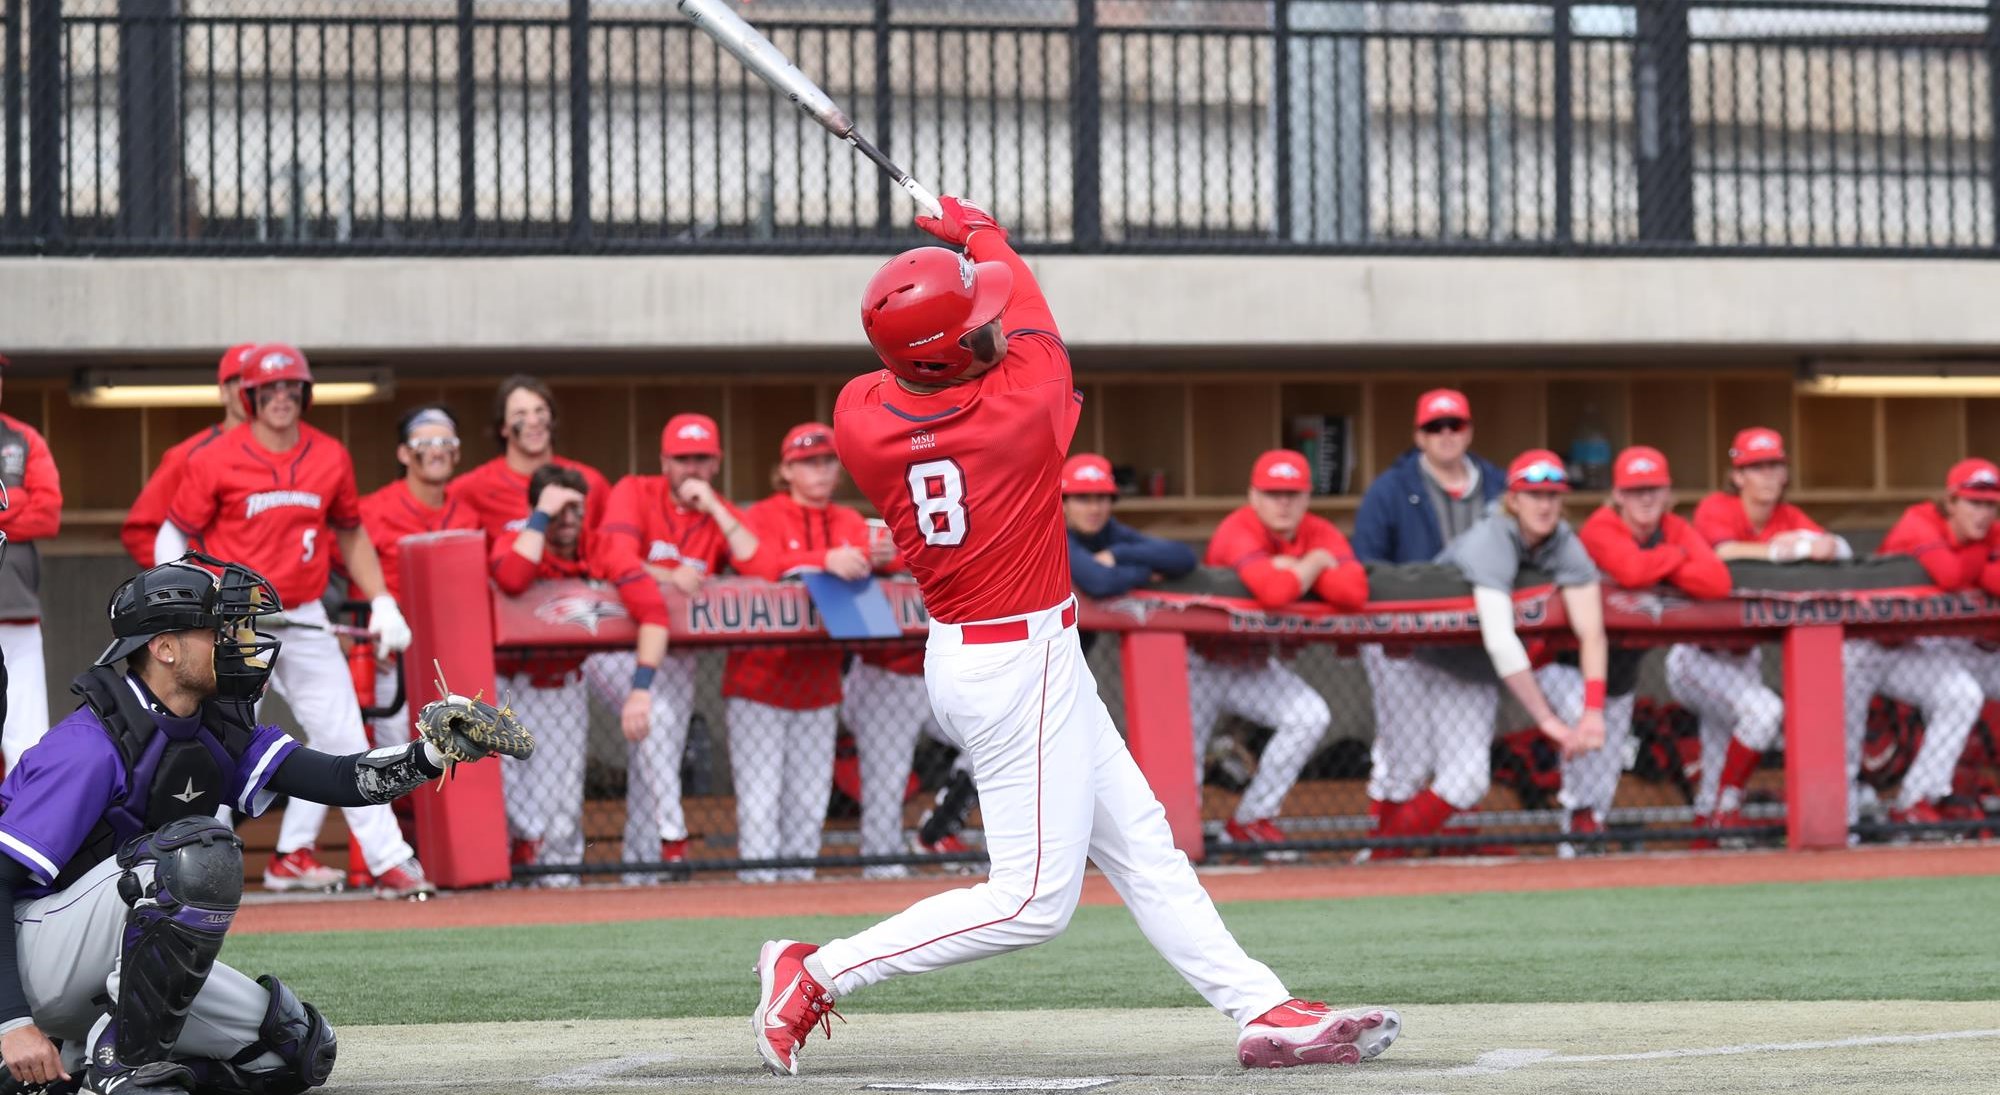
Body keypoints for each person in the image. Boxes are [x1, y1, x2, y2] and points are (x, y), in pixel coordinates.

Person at [752, 196, 1398, 1076]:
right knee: (1031, 901)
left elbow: (954, 335)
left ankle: (1261, 1008)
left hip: (993, 652)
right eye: (970, 328)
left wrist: (959, 270)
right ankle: (817, 970)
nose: (989, 330)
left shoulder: (858, 412)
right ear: (942, 355)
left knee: (1142, 841)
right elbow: (1025, 302)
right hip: (1014, 664)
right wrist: (976, 230)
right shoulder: (1020, 407)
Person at [0, 556, 501, 1095]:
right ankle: (116, 1066)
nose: (239, 642)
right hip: (35, 961)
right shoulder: (87, 747)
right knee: (198, 854)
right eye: (219, 630)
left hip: (108, 959)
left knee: (294, 1049)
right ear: (165, 648)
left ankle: (75, 1068)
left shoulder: (215, 725)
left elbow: (341, 779)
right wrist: (12, 1022)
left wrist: (432, 753)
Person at [157, 343, 429, 898]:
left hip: (303, 614)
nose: (281, 398)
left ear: (305, 394)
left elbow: (350, 532)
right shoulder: (214, 456)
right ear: (249, 396)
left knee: (343, 732)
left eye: (290, 388)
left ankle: (388, 859)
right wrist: (188, 595)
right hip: (237, 622)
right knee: (218, 741)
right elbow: (173, 533)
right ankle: (198, 862)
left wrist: (382, 599)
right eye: (269, 389)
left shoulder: (330, 455)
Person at [1371, 450, 1607, 855]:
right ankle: (1377, 860)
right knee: (1405, 768)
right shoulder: (1492, 536)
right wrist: (1547, 721)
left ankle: (1382, 854)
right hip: (1408, 655)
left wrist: (1593, 711)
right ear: (1513, 499)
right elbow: (1500, 640)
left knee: (1467, 781)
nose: (1545, 505)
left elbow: (1592, 633)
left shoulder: (1564, 543)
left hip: (1469, 666)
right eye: (1534, 495)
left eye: (1553, 495)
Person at [589, 413, 759, 880]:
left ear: (717, 463)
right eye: (683, 459)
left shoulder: (717, 511)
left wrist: (716, 508)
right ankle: (672, 839)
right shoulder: (634, 490)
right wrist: (668, 575)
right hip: (616, 643)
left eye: (702, 459)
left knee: (653, 754)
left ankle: (640, 872)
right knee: (658, 722)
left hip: (679, 657)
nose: (692, 469)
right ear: (664, 461)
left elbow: (760, 563)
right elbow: (612, 557)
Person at [1666, 428, 1850, 841]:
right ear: (1737, 476)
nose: (1767, 476)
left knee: (1721, 750)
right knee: (1764, 712)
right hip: (1697, 656)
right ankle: (1728, 807)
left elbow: (1839, 550)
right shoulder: (1718, 507)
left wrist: (1818, 543)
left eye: (1774, 466)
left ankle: (1709, 827)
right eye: (1756, 467)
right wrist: (1785, 551)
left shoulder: (1788, 517)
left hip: (1744, 656)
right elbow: (1721, 551)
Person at [1192, 449, 1362, 858]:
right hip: (1194, 663)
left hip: (1249, 664)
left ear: (1307, 497)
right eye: (1272, 494)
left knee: (1308, 715)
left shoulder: (1317, 531)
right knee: (1184, 761)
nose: (1283, 503)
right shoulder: (1238, 528)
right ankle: (1172, 843)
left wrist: (1300, 566)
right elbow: (1274, 592)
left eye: (1292, 493)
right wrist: (1314, 566)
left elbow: (1353, 592)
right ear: (1253, 496)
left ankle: (1250, 821)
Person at [1564, 446, 1732, 854]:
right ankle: (1568, 847)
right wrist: (1677, 558)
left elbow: (1717, 581)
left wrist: (1663, 560)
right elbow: (1631, 571)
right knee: (1580, 759)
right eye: (1635, 490)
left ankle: (1584, 847)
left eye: (1653, 490)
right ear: (1617, 495)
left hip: (1622, 669)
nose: (1645, 499)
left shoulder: (1673, 527)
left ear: (1668, 493)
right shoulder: (1600, 526)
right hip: (1566, 666)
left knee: (1605, 772)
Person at [724, 423, 873, 883]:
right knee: (760, 801)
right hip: (758, 683)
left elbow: (871, 560)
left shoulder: (849, 520)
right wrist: (822, 559)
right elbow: (757, 563)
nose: (821, 470)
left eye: (827, 461)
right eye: (808, 462)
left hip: (819, 683)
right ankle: (757, 896)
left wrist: (878, 557)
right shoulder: (762, 514)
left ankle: (799, 894)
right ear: (786, 469)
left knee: (808, 804)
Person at [1351, 388, 1504, 832]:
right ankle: (1387, 846)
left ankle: (1416, 840)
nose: (1446, 434)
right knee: (1407, 757)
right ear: (1419, 436)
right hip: (1403, 641)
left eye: (1454, 425)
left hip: (1471, 646)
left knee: (1467, 770)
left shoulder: (1499, 487)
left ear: (1469, 431)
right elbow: (1365, 564)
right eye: (1434, 427)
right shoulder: (1391, 489)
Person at [1846, 458, 2000, 827]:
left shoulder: (1988, 531)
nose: (1983, 514)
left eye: (1990, 505)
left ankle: (1915, 800)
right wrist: (1983, 553)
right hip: (1857, 646)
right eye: (1973, 503)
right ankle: (1839, 825)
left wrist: (1978, 557)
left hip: (1908, 650)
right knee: (1842, 748)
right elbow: (1951, 575)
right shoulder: (1918, 522)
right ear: (1951, 501)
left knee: (1961, 694)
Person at [490, 465, 597, 886]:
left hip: (563, 686)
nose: (567, 518)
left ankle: (560, 890)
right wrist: (541, 516)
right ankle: (517, 876)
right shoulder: (518, 540)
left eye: (575, 508)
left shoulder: (594, 545)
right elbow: (512, 577)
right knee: (510, 790)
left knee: (563, 803)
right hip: (510, 686)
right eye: (558, 509)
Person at [356, 405, 482, 751]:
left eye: (446, 442)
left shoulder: (469, 516)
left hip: (451, 658)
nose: (437, 451)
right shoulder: (373, 509)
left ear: (456, 453)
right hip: (391, 658)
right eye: (425, 443)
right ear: (404, 453)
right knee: (394, 754)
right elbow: (335, 576)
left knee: (454, 756)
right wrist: (354, 638)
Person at [120, 343, 254, 568]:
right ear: (223, 391)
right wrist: (189, 578)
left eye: (258, 382)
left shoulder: (294, 453)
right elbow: (140, 532)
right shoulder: (190, 455)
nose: (249, 390)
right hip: (219, 586)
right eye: (240, 381)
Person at [449, 374, 611, 539]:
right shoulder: (470, 489)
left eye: (540, 411)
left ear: (552, 418)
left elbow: (610, 546)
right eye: (520, 414)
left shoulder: (590, 482)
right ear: (503, 427)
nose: (533, 421)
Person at [0, 355, 61, 770]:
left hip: (16, 609)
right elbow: (29, 507)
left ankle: (24, 811)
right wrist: (15, 499)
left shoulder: (23, 439)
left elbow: (48, 513)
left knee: (27, 736)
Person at [1062, 452, 1198, 601]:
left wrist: (1117, 554)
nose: (1094, 509)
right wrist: (1146, 573)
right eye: (1082, 499)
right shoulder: (1057, 537)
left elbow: (1183, 557)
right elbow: (1100, 582)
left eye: (1101, 498)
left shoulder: (1110, 530)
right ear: (1063, 504)